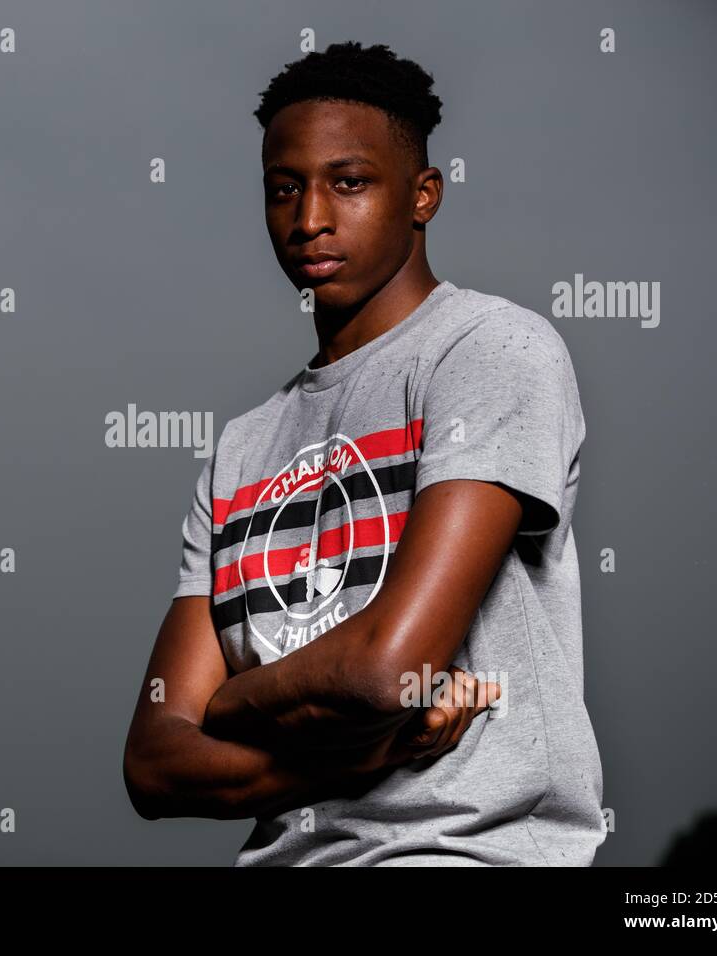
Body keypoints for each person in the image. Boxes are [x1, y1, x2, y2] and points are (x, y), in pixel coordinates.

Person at [123, 41, 606, 866]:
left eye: (349, 183)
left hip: (460, 851)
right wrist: (362, 751)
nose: (310, 217)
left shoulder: (490, 350)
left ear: (423, 196)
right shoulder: (241, 448)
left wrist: (231, 704)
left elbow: (389, 670)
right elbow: (155, 762)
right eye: (285, 188)